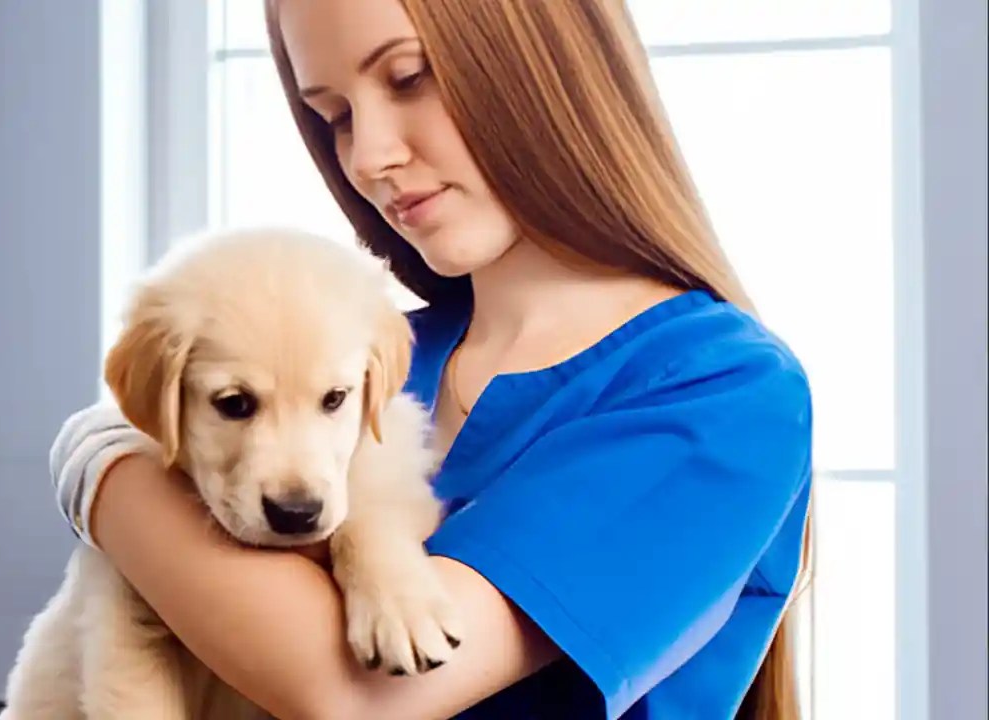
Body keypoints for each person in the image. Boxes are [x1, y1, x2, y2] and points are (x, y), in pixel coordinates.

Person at [49, 0, 814, 718]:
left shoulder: (722, 396)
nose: (370, 157)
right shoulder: (362, 358)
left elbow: (352, 694)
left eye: (409, 77)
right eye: (335, 117)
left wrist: (104, 470)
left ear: (542, 59)